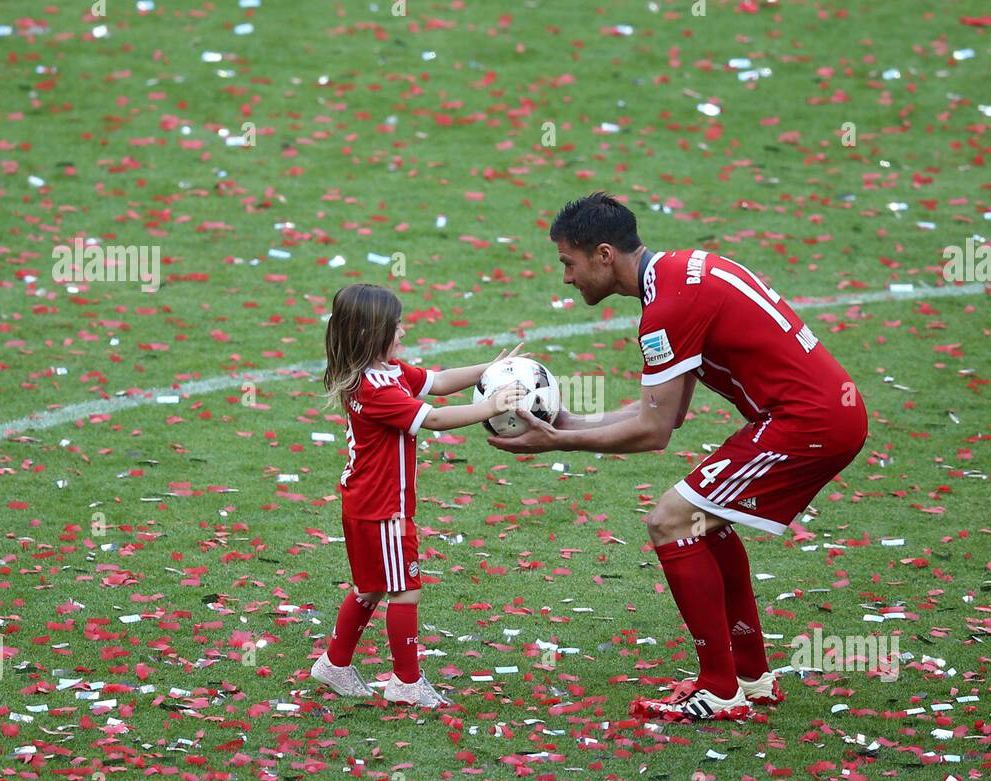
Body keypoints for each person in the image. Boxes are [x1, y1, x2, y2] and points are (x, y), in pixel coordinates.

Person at [490, 193, 868, 721]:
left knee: (671, 521)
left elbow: (653, 431)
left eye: (568, 264)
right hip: (808, 417)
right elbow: (668, 411)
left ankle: (719, 687)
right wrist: (571, 421)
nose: (567, 279)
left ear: (603, 255)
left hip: (807, 424)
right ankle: (751, 677)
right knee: (704, 523)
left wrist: (557, 442)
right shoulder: (682, 275)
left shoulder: (668, 309)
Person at [312, 283, 524, 708]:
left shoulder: (383, 373)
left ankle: (334, 664)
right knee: (404, 589)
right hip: (382, 509)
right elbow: (438, 418)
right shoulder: (377, 390)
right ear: (373, 335)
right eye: (396, 327)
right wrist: (492, 404)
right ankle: (406, 682)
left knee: (370, 588)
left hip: (364, 503)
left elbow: (440, 382)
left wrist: (491, 369)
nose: (404, 332)